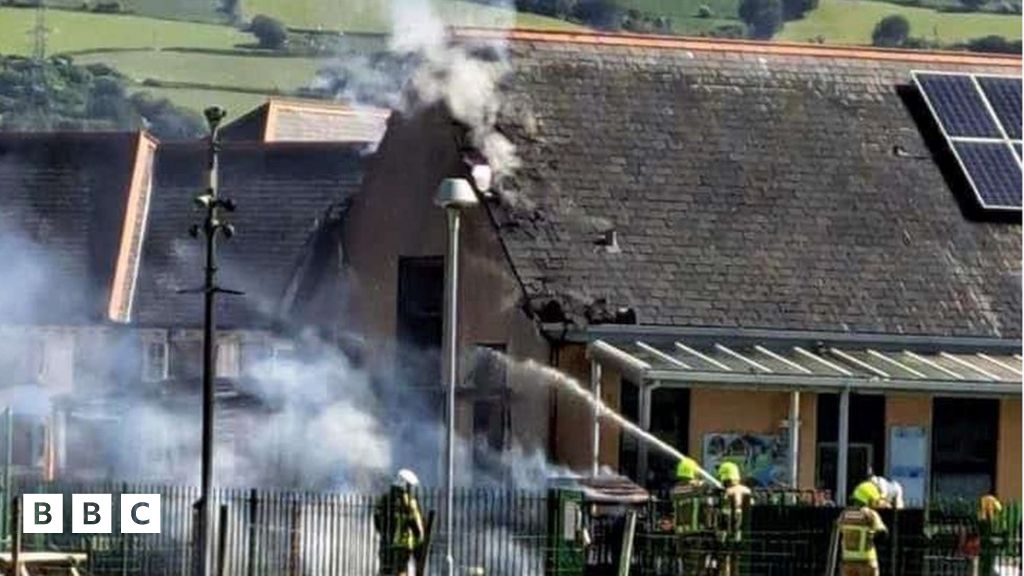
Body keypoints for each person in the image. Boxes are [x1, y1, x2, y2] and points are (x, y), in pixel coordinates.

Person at [373, 469, 425, 576]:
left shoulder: (384, 499)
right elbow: (417, 527)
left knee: (385, 570)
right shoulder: (409, 502)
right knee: (400, 572)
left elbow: (377, 522)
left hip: (386, 543)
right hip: (403, 545)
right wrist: (418, 542)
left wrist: (385, 534)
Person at [672, 456, 713, 575]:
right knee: (699, 567)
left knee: (687, 567)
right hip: (696, 533)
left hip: (681, 534)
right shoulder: (698, 487)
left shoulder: (676, 489)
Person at [837, 481, 888, 576]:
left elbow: (840, 529)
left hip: (848, 561)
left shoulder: (844, 514)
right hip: (867, 561)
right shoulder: (870, 514)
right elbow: (883, 534)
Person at [717, 461, 753, 576]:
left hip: (730, 532)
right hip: (745, 533)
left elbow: (723, 513)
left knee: (726, 559)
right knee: (740, 561)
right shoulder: (747, 491)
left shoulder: (727, 493)